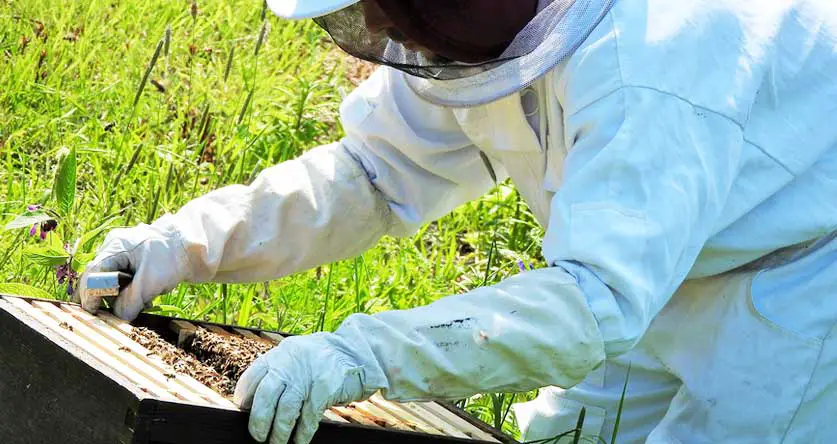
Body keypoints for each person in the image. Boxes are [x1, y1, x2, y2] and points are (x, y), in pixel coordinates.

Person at [76, 0, 837, 443]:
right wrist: (186, 245)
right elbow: (372, 174)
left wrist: (367, 353)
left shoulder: (656, 59)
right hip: (663, 266)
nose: (376, 24)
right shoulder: (484, 33)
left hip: (800, 282)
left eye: (380, 4)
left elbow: (593, 303)